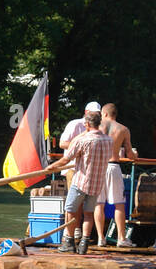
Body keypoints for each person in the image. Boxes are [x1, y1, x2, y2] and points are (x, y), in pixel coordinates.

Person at [45, 109, 112, 255]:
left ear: (87, 124)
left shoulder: (84, 140)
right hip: (97, 184)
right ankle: (84, 244)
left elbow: (66, 159)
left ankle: (69, 241)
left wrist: (51, 167)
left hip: (81, 182)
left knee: (70, 210)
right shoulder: (108, 140)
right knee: (88, 214)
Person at [97, 104, 135, 247]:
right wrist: (134, 155)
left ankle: (101, 238)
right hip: (113, 166)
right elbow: (130, 154)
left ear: (105, 114)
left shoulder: (96, 127)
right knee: (119, 204)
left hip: (98, 166)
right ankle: (121, 238)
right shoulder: (123, 129)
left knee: (98, 204)